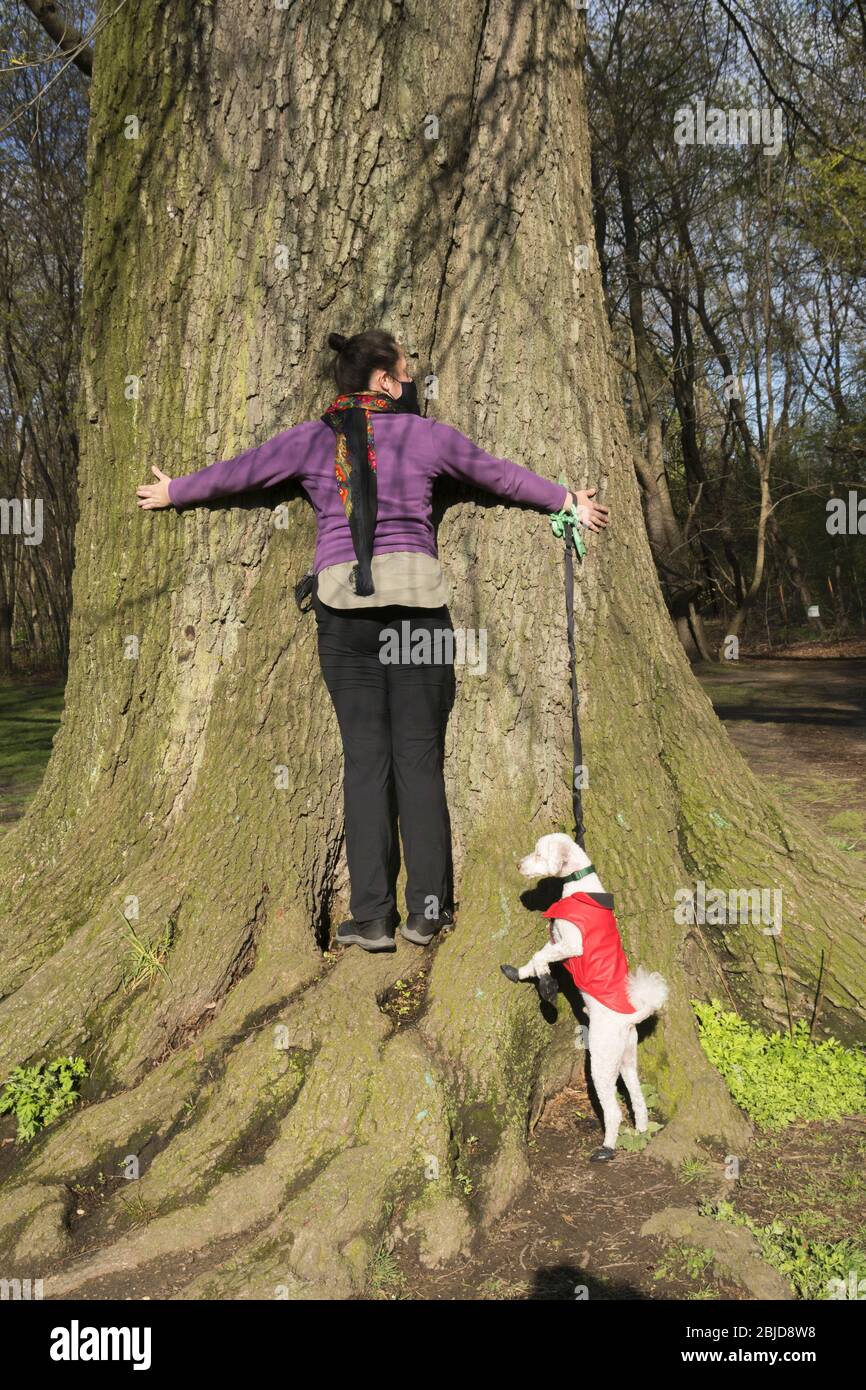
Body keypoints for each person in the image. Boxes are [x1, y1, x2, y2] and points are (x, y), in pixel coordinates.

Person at [136, 329, 610, 953]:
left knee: (365, 764)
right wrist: (566, 500)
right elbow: (498, 476)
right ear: (384, 380)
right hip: (419, 613)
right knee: (419, 763)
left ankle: (373, 920)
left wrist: (175, 490)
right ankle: (428, 914)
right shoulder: (426, 435)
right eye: (405, 371)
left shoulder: (312, 439)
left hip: (345, 615)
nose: (411, 380)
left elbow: (243, 472)